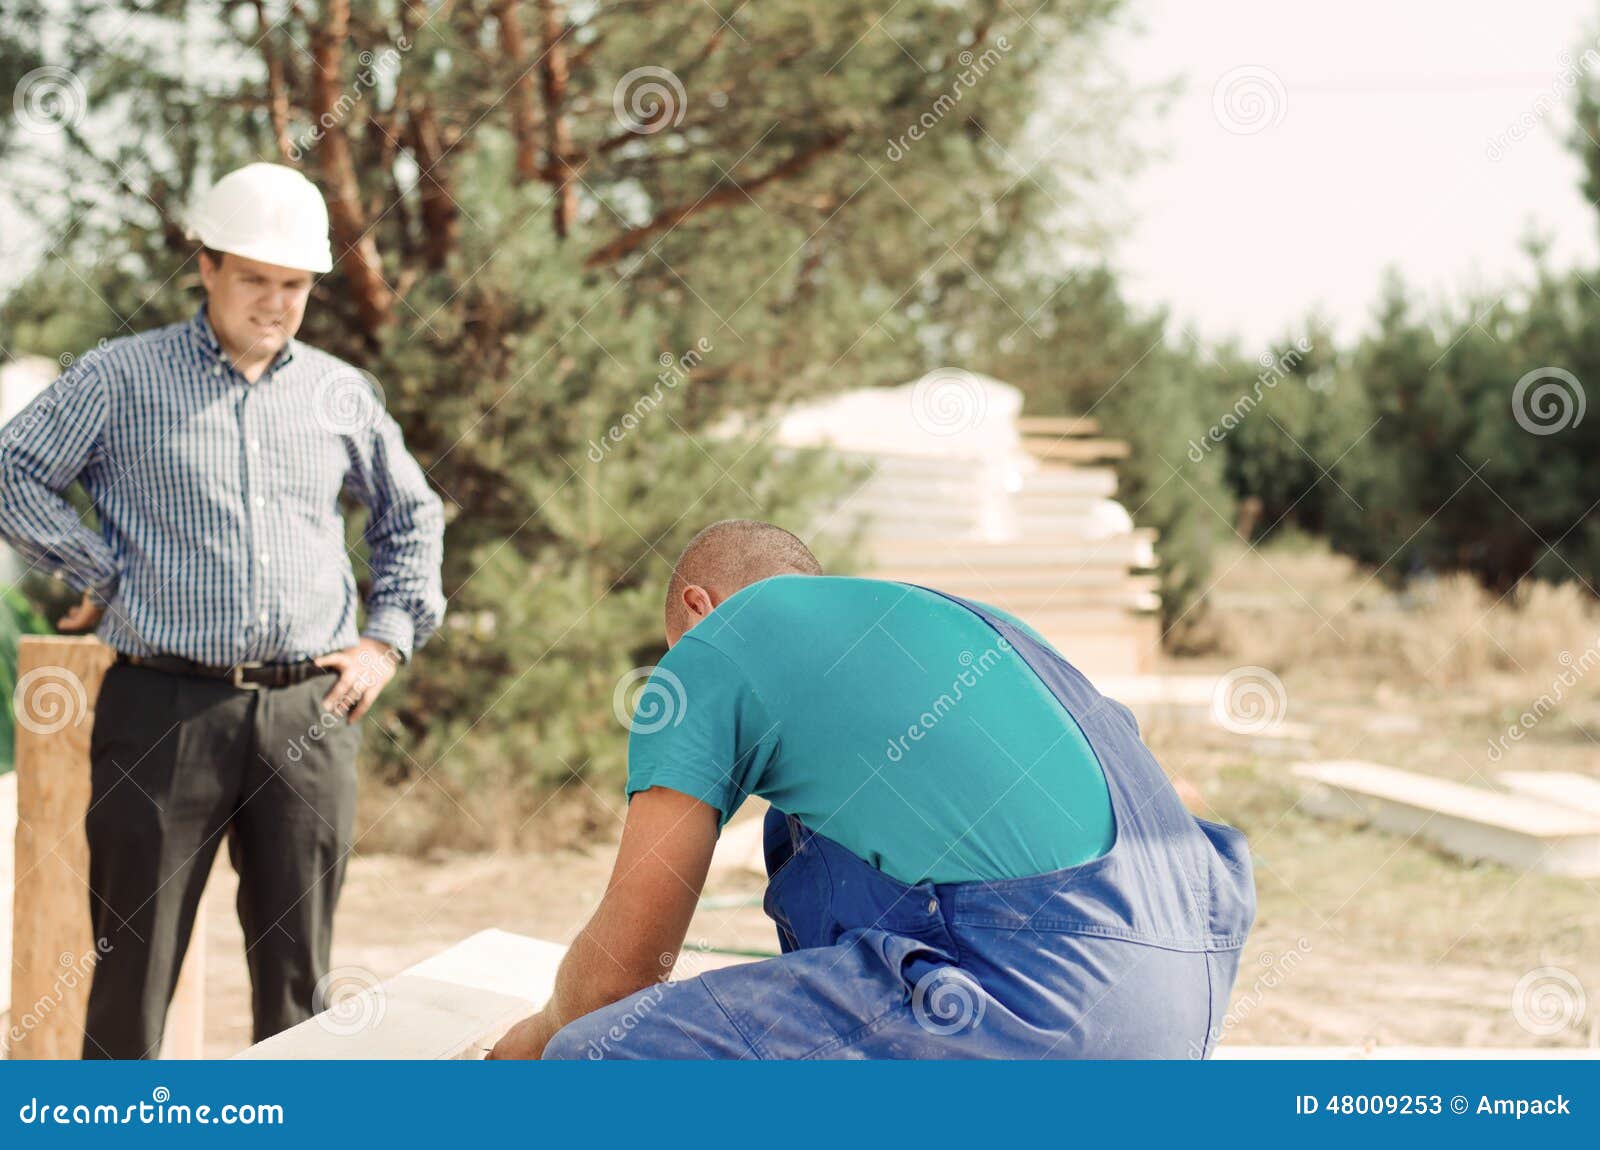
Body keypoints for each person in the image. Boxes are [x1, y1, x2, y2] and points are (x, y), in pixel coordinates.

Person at [489, 519, 1254, 1060]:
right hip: (1186, 1005)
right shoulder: (968, 625)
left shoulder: (717, 642)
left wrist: (542, 1029)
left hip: (1041, 1007)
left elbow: (622, 975)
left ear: (698, 605)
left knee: (596, 1058)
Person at [0, 162, 447, 1059]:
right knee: (131, 974)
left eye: (293, 285)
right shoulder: (120, 377)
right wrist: (102, 569)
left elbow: (414, 515)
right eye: (254, 279)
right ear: (205, 266)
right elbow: (14, 471)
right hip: (163, 708)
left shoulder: (338, 391)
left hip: (310, 713)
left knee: (299, 988)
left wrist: (386, 645)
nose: (275, 303)